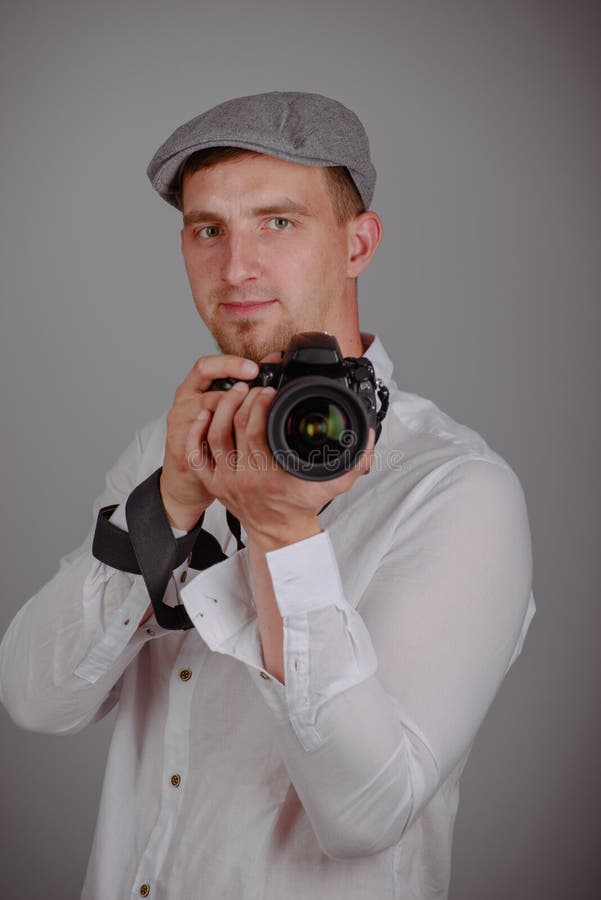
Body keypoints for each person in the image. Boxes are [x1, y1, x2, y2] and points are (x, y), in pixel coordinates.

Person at [0, 92, 535, 900]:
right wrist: (171, 500)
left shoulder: (456, 488)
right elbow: (37, 703)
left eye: (277, 223)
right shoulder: (169, 447)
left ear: (358, 243)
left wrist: (282, 536)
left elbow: (366, 814)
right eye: (207, 229)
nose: (236, 266)